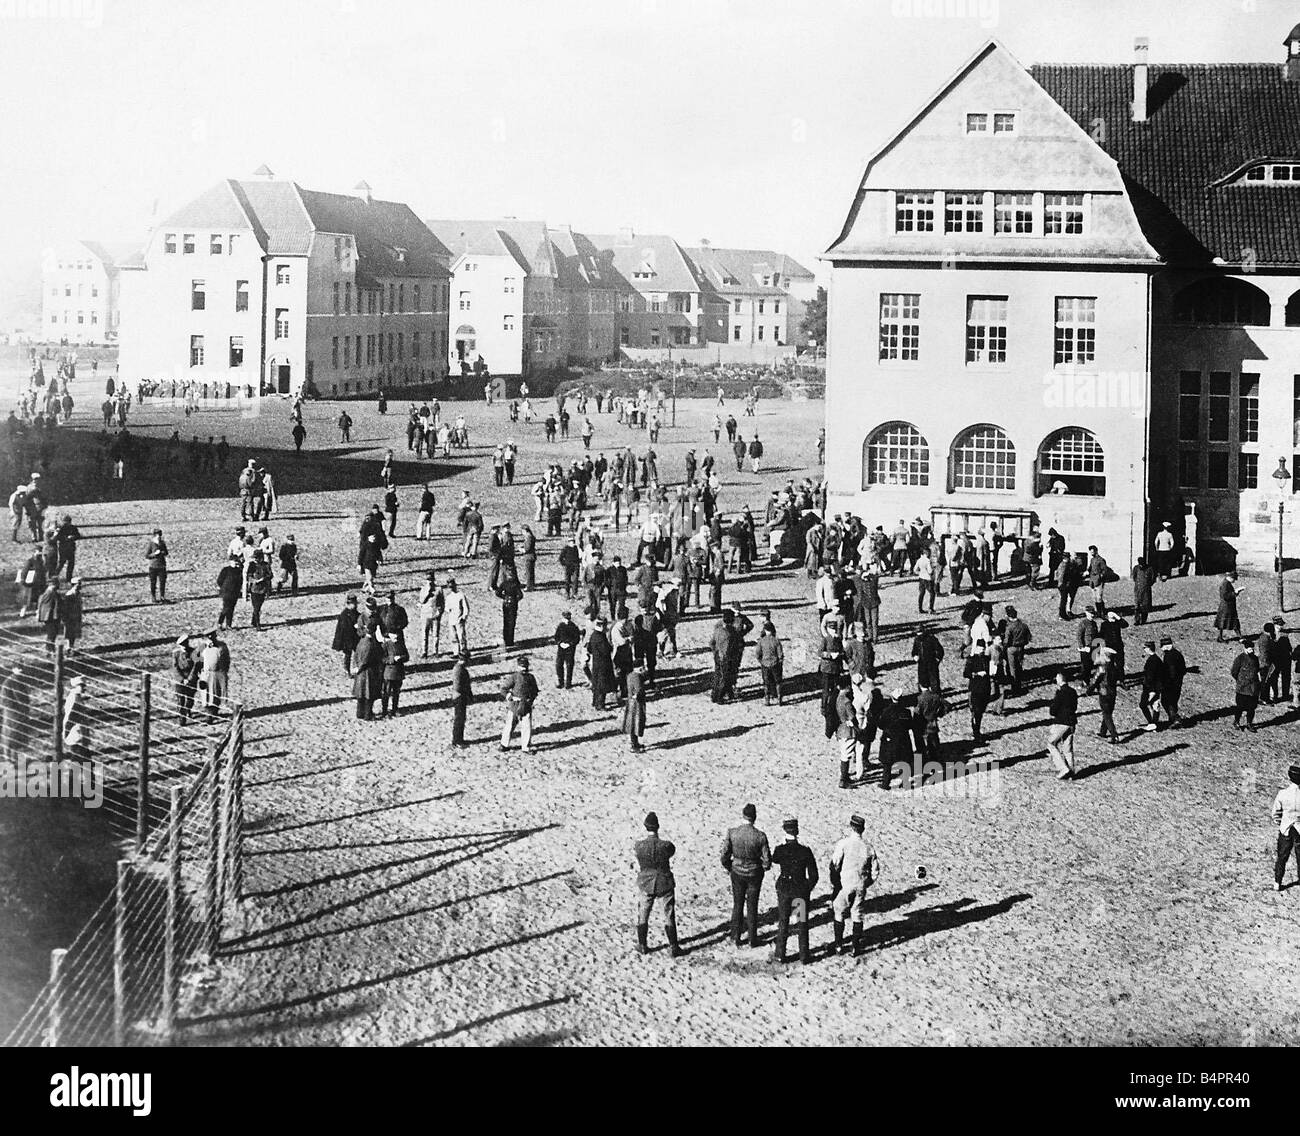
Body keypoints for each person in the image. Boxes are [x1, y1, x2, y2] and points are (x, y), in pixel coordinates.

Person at [721, 803, 771, 949]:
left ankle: (735, 936)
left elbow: (724, 855)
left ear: (743, 815)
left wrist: (729, 867)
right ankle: (752, 939)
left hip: (737, 872)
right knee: (752, 906)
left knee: (737, 904)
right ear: (754, 817)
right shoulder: (760, 836)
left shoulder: (732, 833)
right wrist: (761, 868)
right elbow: (767, 861)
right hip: (754, 873)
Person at [828, 814, 880, 957]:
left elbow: (835, 864)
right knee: (857, 915)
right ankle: (855, 947)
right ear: (863, 829)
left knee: (839, 913)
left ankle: (839, 945)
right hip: (860, 885)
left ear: (851, 827)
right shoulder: (868, 848)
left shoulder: (843, 844)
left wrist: (835, 882)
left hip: (845, 884)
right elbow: (875, 871)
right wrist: (866, 883)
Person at [770, 817, 818, 965]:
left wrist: (783, 844)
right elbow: (814, 876)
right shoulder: (805, 851)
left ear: (785, 831)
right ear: (797, 832)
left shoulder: (780, 850)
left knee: (783, 921)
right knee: (802, 922)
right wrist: (806, 888)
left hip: (785, 889)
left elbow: (774, 859)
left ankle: (780, 954)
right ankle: (804, 955)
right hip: (800, 890)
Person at [633, 812, 681, 957]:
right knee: (668, 914)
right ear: (657, 827)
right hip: (664, 883)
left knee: (643, 914)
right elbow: (672, 851)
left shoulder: (639, 846)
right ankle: (673, 946)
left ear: (645, 827)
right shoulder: (666, 845)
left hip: (646, 883)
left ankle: (642, 945)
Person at [500, 656, 538, 753]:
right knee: (510, 725)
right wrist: (510, 696)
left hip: (526, 705)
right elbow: (503, 689)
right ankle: (504, 744)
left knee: (526, 727)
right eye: (522, 666)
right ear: (518, 667)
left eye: (525, 666)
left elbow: (535, 691)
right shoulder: (514, 677)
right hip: (514, 705)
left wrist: (530, 701)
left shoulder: (531, 677)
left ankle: (525, 747)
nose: (524, 669)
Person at [1272, 765, 1300, 891]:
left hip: (1285, 829)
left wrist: (1282, 823)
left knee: (1282, 857)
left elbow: (1275, 813)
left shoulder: (1283, 794)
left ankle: (1277, 882)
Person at [1046, 672, 1078, 781]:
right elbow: (1075, 707)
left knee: (1051, 743)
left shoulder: (1060, 693)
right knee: (1067, 748)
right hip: (1072, 723)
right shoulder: (1073, 692)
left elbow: (1053, 711)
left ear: (1059, 680)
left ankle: (1063, 768)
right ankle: (1071, 772)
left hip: (1062, 723)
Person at [352, 626, 383, 720]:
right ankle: (367, 715)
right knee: (369, 695)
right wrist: (360, 667)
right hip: (368, 672)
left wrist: (355, 667)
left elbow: (356, 655)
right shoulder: (370, 643)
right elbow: (365, 659)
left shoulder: (361, 641)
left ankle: (359, 713)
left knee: (360, 694)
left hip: (360, 673)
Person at [1231, 637, 1262, 731]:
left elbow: (1257, 670)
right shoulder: (1240, 658)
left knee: (1252, 708)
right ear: (1245, 649)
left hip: (1253, 688)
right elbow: (1234, 672)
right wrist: (1241, 681)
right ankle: (1236, 722)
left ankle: (1249, 724)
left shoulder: (1255, 658)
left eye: (1252, 649)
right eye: (1249, 649)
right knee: (1240, 707)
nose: (1251, 651)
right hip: (1242, 688)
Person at [199, 631, 230, 721]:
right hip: (206, 674)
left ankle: (214, 711)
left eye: (212, 636)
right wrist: (200, 671)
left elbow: (226, 660)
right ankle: (208, 714)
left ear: (215, 636)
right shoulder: (203, 646)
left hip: (217, 673)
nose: (211, 639)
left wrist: (223, 672)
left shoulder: (222, 646)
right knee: (206, 693)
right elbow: (197, 659)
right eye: (208, 637)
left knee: (216, 693)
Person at [585, 617, 616, 710]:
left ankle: (595, 702)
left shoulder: (594, 635)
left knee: (596, 684)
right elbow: (606, 650)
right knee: (602, 685)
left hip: (596, 663)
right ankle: (600, 705)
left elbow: (589, 649)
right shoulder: (601, 637)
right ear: (602, 626)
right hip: (603, 664)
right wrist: (611, 647)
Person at [965, 640, 991, 742]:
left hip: (985, 688)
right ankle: (976, 733)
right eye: (980, 649)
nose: (982, 651)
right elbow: (966, 673)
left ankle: (977, 731)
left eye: (983, 649)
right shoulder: (971, 660)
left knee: (981, 711)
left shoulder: (987, 659)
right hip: (975, 689)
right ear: (976, 649)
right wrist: (977, 674)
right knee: (976, 712)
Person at [1138, 640, 1164, 731]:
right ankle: (1154, 724)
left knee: (1143, 704)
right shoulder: (1156, 659)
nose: (1144, 650)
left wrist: (1152, 690)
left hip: (1150, 688)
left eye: (1145, 648)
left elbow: (1151, 677)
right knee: (1155, 704)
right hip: (1156, 687)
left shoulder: (1152, 661)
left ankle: (1152, 723)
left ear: (1149, 648)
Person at [380, 633, 408, 718]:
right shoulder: (385, 645)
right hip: (389, 673)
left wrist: (401, 658)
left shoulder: (401, 644)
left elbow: (407, 656)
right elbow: (381, 658)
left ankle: (394, 709)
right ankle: (384, 711)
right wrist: (392, 659)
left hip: (399, 672)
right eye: (393, 634)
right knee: (386, 693)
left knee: (396, 692)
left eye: (396, 634)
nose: (396, 636)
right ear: (389, 635)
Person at [756, 621, 784, 706]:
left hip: (765, 664)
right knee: (778, 682)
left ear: (765, 630)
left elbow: (758, 654)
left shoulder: (761, 641)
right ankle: (779, 698)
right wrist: (779, 662)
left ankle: (767, 700)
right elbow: (780, 654)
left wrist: (761, 661)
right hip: (775, 664)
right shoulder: (776, 641)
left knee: (766, 683)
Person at [332, 595, 360, 675]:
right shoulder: (344, 615)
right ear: (349, 604)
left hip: (354, 637)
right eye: (354, 604)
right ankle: (347, 670)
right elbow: (343, 628)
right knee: (347, 655)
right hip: (346, 639)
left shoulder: (355, 612)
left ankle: (356, 669)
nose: (355, 605)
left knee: (357, 653)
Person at [554, 609, 581, 688]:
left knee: (569, 666)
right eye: (565, 618)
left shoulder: (573, 626)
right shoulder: (560, 626)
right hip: (561, 648)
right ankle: (561, 682)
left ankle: (568, 683)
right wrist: (560, 643)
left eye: (568, 618)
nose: (566, 620)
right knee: (559, 665)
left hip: (570, 649)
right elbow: (556, 637)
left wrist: (570, 644)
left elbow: (577, 639)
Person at [450, 650, 472, 748]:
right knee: (459, 719)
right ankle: (457, 741)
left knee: (461, 718)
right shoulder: (458, 670)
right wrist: (466, 693)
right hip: (459, 697)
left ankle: (459, 739)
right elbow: (458, 686)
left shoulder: (459, 668)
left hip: (460, 696)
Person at [246, 549, 272, 629]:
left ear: (261, 558)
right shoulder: (252, 565)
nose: (255, 559)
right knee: (256, 607)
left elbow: (270, 575)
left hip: (263, 589)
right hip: (254, 589)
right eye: (254, 558)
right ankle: (258, 625)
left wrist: (263, 579)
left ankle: (253, 621)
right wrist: (254, 580)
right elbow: (248, 576)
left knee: (258, 607)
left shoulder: (266, 565)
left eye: (256, 558)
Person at [624, 663, 647, 752]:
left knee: (632, 724)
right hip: (637, 703)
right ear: (640, 668)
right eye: (643, 667)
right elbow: (639, 690)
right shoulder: (637, 677)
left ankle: (634, 743)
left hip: (630, 702)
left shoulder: (630, 675)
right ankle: (634, 746)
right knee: (636, 723)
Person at [36, 578, 61, 654]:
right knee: (51, 634)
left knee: (53, 634)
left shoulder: (53, 592)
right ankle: (50, 650)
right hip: (50, 618)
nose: (58, 586)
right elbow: (42, 605)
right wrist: (42, 616)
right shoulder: (48, 593)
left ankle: (51, 649)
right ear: (53, 584)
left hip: (53, 617)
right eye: (57, 584)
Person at [1216, 571, 1243, 642]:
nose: (1235, 581)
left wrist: (1236, 593)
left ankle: (1220, 637)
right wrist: (1235, 592)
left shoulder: (1226, 583)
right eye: (1234, 579)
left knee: (1223, 622)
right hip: (1227, 607)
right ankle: (1240, 637)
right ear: (1230, 577)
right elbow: (1226, 596)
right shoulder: (1225, 584)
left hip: (1226, 606)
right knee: (1232, 622)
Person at [144, 527, 169, 603]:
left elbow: (166, 552)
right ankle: (153, 597)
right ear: (154, 535)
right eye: (157, 535)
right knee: (153, 582)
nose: (159, 537)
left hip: (162, 565)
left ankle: (162, 596)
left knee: (162, 582)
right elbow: (147, 555)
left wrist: (162, 552)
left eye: (160, 535)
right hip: (153, 566)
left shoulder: (162, 543)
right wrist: (154, 554)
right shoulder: (151, 544)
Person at [445, 578, 469, 655]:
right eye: (449, 587)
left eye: (452, 586)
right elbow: (446, 608)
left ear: (455, 586)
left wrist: (463, 617)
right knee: (453, 636)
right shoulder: (449, 597)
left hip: (459, 619)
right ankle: (456, 652)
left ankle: (463, 651)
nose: (451, 588)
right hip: (452, 619)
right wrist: (448, 609)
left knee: (461, 636)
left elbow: (466, 608)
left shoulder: (461, 595)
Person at [1131, 557, 1156, 626]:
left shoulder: (1149, 569)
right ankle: (1137, 620)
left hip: (1146, 590)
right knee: (1137, 606)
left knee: (1145, 605)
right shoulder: (1136, 568)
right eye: (1140, 564)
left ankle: (1143, 620)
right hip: (1138, 589)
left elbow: (1153, 578)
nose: (1141, 566)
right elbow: (1134, 577)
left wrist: (1147, 584)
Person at [60, 578, 83, 652]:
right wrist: (65, 617)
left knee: (74, 633)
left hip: (76, 616)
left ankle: (71, 646)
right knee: (69, 632)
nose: (80, 586)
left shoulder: (78, 593)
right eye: (78, 584)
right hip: (70, 617)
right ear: (74, 585)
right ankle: (67, 647)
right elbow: (65, 607)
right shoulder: (69, 594)